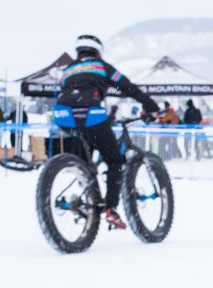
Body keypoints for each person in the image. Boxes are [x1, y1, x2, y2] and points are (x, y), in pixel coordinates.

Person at [55, 34, 160, 230]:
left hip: (63, 117)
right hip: (91, 115)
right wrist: (152, 107)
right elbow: (128, 87)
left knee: (88, 155)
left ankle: (88, 189)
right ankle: (111, 207)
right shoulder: (101, 66)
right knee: (114, 159)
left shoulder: (67, 70)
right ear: (97, 51)